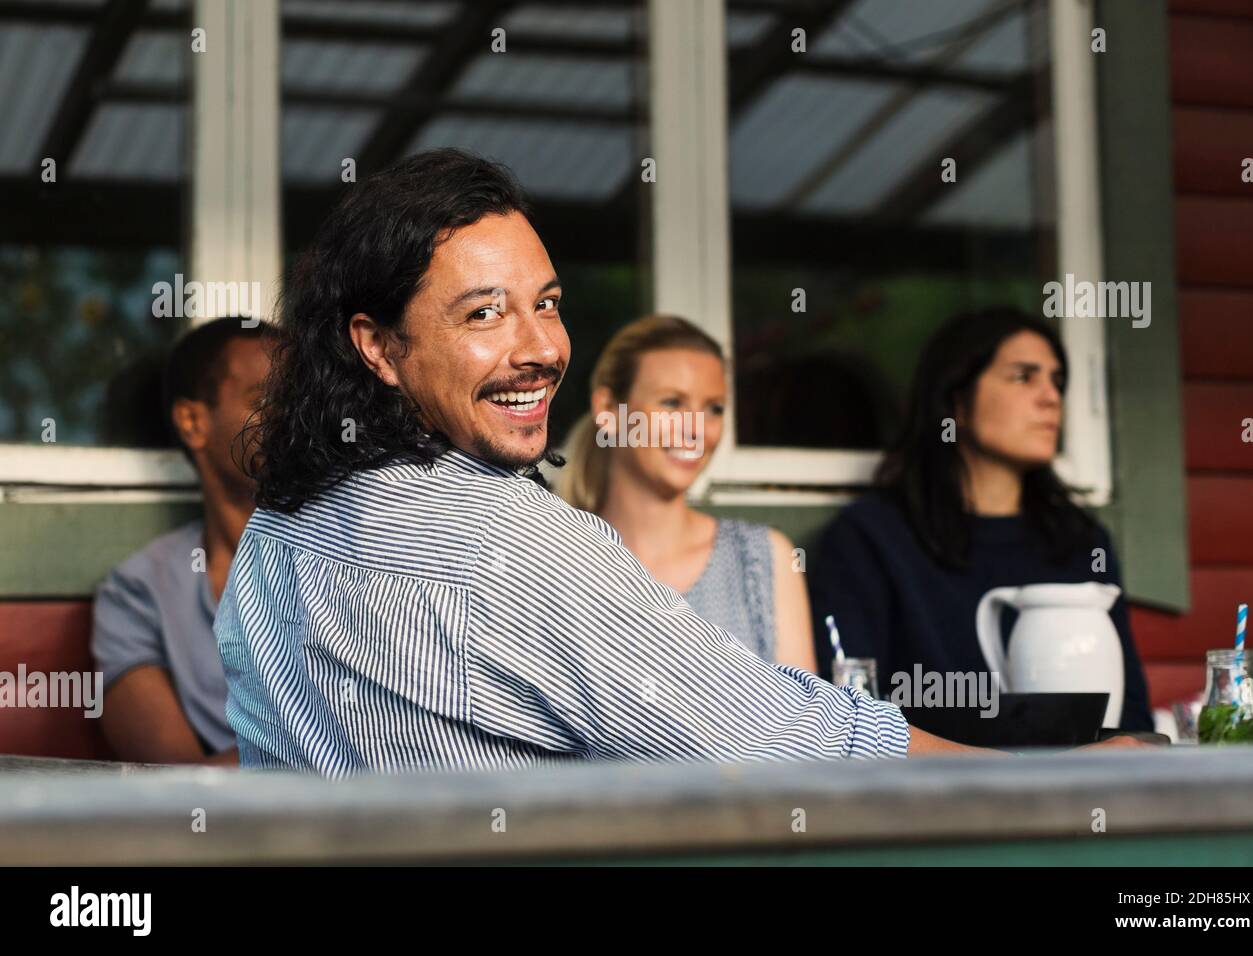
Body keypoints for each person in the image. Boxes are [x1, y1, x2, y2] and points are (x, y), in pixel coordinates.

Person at [217, 149, 1141, 776]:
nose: (542, 347)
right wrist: (1053, 774)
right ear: (377, 346)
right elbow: (784, 746)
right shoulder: (519, 549)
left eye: (549, 302)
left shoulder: (273, 534)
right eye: (485, 314)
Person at [809, 307, 1155, 732]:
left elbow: (1131, 712)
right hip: (931, 790)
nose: (1051, 397)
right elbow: (852, 715)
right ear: (955, 401)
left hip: (1080, 788)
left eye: (1057, 381)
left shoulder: (1081, 540)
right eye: (1023, 377)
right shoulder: (870, 540)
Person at [556, 315, 815, 669]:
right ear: (607, 411)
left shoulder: (764, 559)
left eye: (714, 409)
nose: (696, 430)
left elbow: (806, 721)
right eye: (672, 402)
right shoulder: (559, 561)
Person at [92, 316, 276, 763]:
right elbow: (175, 791)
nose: (296, 416)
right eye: (267, 398)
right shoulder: (139, 592)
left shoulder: (361, 551)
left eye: (306, 398)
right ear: (193, 421)